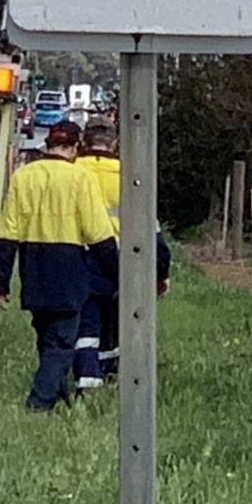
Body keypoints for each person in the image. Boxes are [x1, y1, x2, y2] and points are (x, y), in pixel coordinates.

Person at [0, 120, 118, 411]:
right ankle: (39, 403)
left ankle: (61, 397)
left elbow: (7, 234)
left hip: (33, 268)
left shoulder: (23, 177)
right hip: (68, 270)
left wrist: (1, 281)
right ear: (74, 148)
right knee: (62, 343)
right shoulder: (79, 179)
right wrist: (117, 274)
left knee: (46, 336)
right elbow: (99, 235)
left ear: (48, 144)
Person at [74, 117, 172, 387]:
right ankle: (110, 374)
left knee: (86, 325)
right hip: (126, 262)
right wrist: (161, 271)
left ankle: (87, 377)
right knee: (116, 324)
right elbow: (151, 229)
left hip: (81, 258)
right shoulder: (131, 176)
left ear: (84, 141)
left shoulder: (74, 171)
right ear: (115, 143)